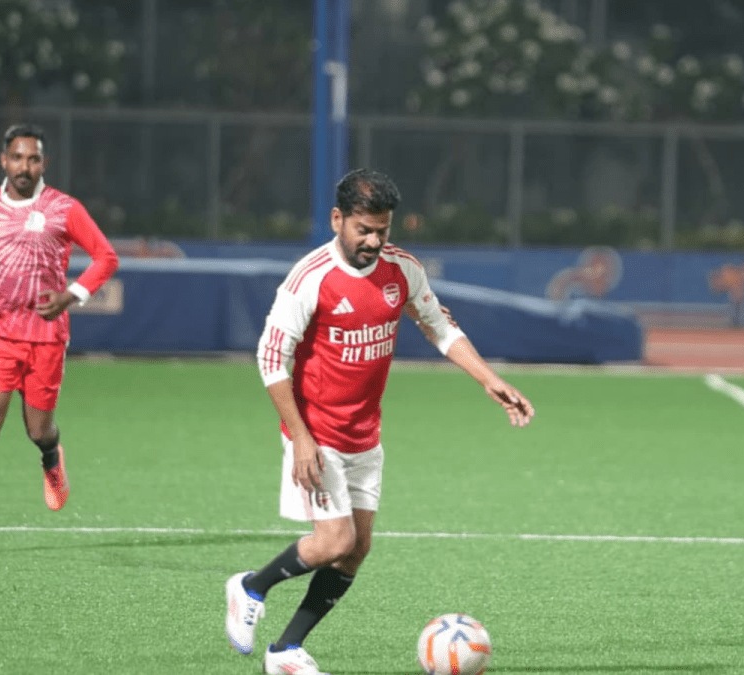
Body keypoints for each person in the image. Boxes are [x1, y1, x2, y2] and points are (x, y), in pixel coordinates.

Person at [225, 169, 535, 675]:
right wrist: (300, 437)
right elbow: (270, 358)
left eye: (382, 231)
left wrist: (488, 380)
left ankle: (285, 651)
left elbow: (439, 326)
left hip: (364, 434)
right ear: (337, 220)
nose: (372, 241)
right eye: (363, 230)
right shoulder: (310, 278)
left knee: (356, 550)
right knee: (335, 541)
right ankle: (250, 587)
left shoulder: (402, 270)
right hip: (317, 433)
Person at [0, 123, 119, 553]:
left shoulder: (64, 208)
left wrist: (70, 296)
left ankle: (51, 457)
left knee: (38, 429)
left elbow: (106, 257)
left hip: (45, 335)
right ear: (4, 161)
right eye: (17, 158)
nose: (25, 167)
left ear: (44, 164)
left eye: (33, 159)